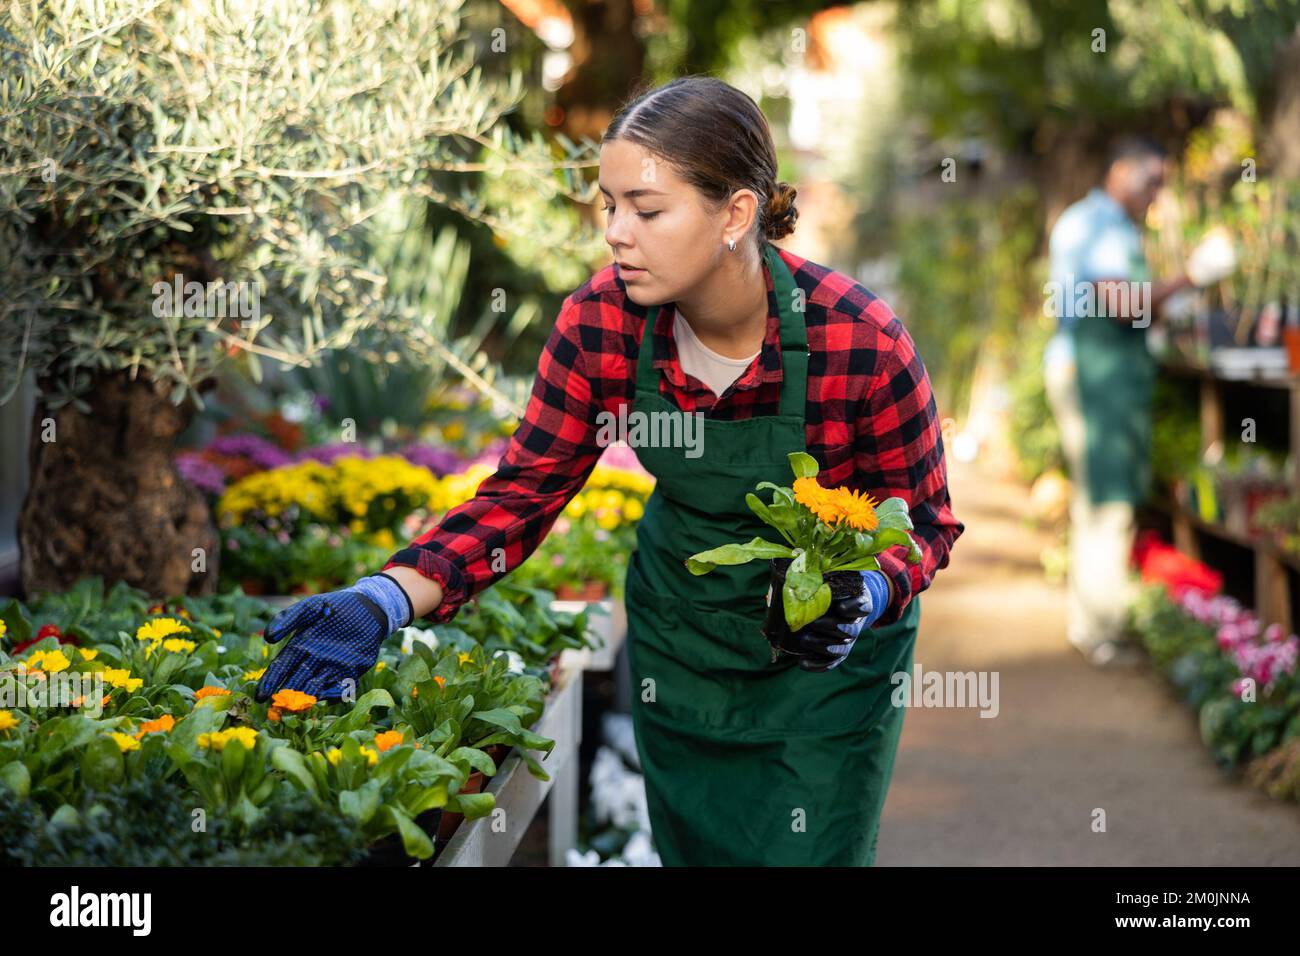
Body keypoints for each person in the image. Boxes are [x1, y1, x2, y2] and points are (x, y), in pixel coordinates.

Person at [255, 76, 964, 866]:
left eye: (647, 210)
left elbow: (925, 518)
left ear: (736, 214)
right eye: (609, 206)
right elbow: (522, 493)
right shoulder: (601, 324)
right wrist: (381, 599)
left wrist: (864, 591)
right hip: (684, 647)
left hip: (828, 671)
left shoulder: (860, 342)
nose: (617, 233)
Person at [1043, 135, 1236, 667]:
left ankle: (1094, 626)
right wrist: (1192, 276)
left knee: (1099, 500)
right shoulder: (1101, 224)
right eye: (1152, 181)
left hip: (1096, 371)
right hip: (1095, 374)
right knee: (1107, 502)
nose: (1156, 194)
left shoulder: (1100, 222)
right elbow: (1125, 304)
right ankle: (1102, 633)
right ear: (1122, 171)